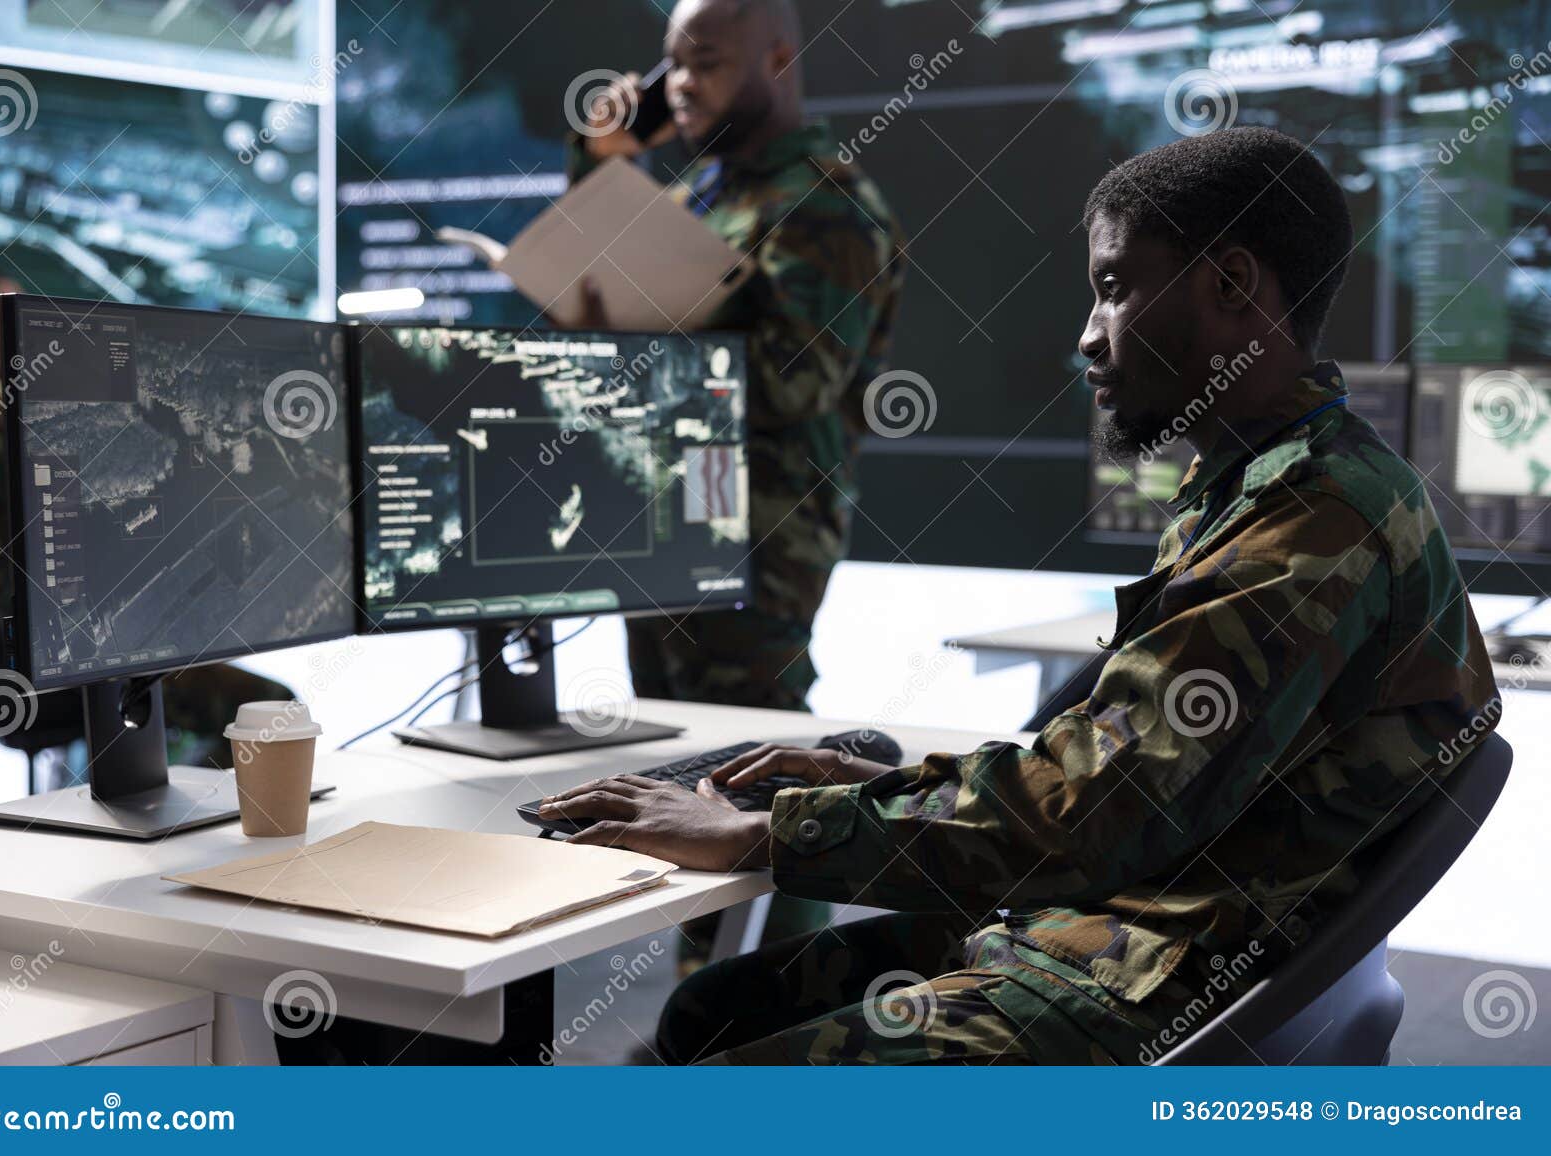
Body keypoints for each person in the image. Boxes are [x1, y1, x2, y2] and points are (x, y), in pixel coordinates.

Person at [538, 126, 1502, 1064]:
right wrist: (866, 786)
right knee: (715, 1009)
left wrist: (767, 830)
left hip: (1147, 981)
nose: (1087, 335)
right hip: (1136, 925)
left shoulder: (1311, 522)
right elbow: (1108, 768)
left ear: (1231, 285)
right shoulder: (1265, 487)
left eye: (1115, 289)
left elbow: (1094, 812)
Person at [570, 0, 906, 713]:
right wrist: (602, 165)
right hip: (663, 517)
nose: (682, 83)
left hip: (754, 543)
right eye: (674, 63)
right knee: (661, 763)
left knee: (744, 762)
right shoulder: (703, 196)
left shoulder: (823, 204)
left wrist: (649, 346)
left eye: (707, 62)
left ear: (777, 61)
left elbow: (796, 380)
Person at [0, 265, 292, 767]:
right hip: (54, 657)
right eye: (10, 318)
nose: (25, 337)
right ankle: (192, 829)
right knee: (269, 708)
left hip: (28, 653)